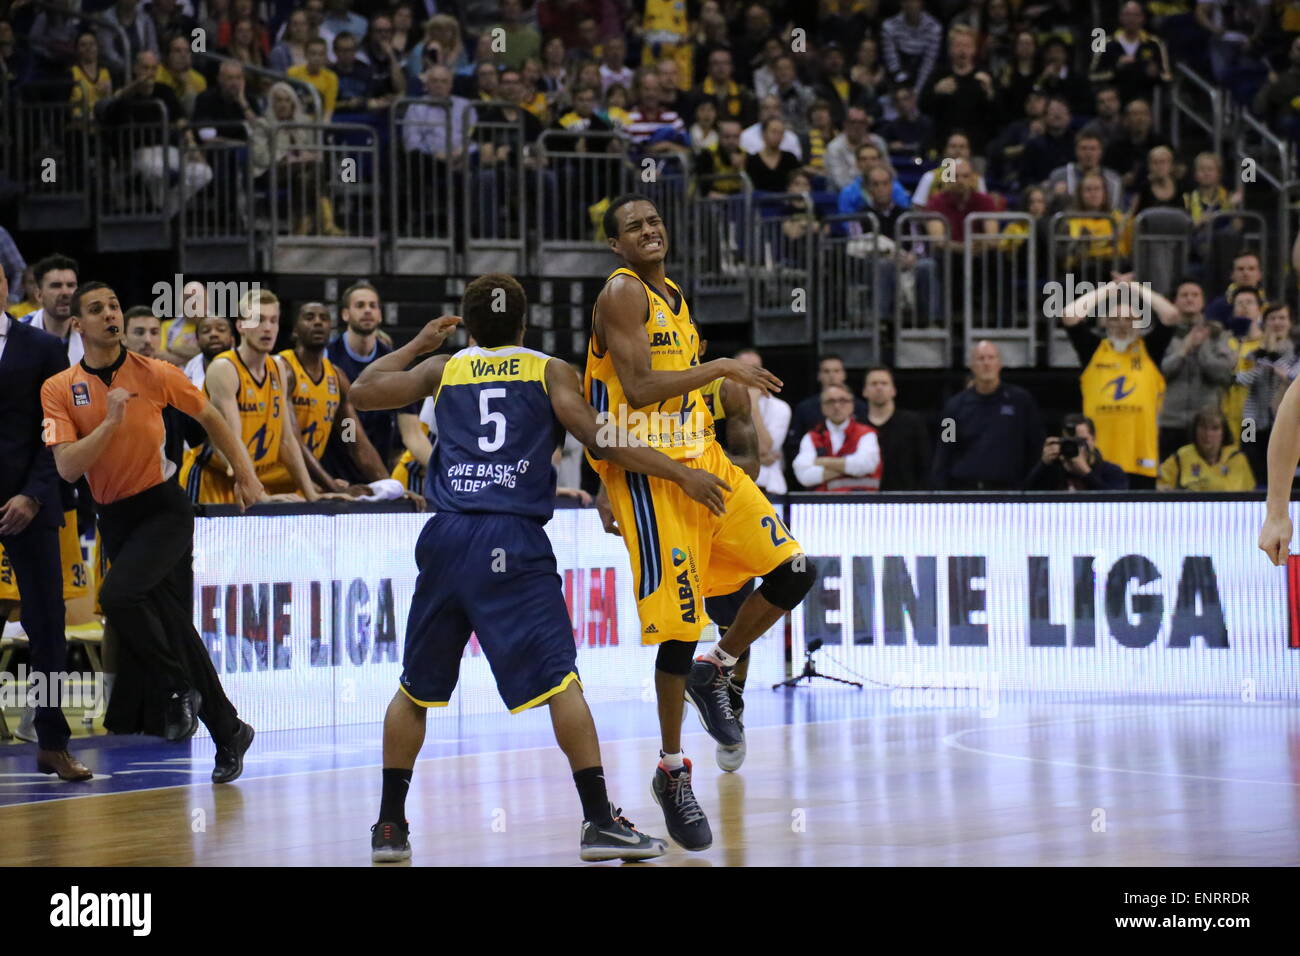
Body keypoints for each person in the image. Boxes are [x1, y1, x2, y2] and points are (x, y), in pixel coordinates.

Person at [349, 278, 733, 863]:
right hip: (511, 536)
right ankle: (600, 821)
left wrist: (419, 344)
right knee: (561, 682)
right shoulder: (551, 371)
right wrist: (678, 473)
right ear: (525, 325)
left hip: (446, 536)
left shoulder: (444, 369)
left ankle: (389, 827)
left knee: (414, 688)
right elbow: (601, 441)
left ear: (471, 328)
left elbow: (361, 391)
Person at [587, 193, 816, 850]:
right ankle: (671, 769)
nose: (648, 230)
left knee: (794, 571)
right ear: (616, 246)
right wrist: (718, 365)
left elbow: (680, 394)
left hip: (706, 465)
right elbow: (631, 394)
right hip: (654, 478)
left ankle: (722, 664)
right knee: (677, 632)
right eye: (633, 227)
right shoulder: (622, 294)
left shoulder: (677, 299)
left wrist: (715, 387)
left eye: (655, 220)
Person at [41, 281, 259, 783]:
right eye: (96, 310)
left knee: (119, 597)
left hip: (164, 509)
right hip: (113, 517)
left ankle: (178, 686)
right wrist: (110, 421)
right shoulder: (59, 388)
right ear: (79, 325)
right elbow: (69, 467)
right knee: (174, 623)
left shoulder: (159, 373)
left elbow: (210, 416)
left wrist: (243, 471)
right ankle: (229, 731)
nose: (110, 315)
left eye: (114, 305)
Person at [0, 269, 90, 780]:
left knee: (47, 630)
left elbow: (58, 429)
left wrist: (34, 494)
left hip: (30, 506)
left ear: (6, 287)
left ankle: (53, 741)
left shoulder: (41, 347)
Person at [179, 289, 319, 503]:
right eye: (259, 320)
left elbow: (287, 440)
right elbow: (231, 440)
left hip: (250, 480)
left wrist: (312, 496)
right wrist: (260, 495)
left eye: (273, 320)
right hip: (211, 480)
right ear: (240, 326)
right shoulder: (224, 368)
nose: (267, 328)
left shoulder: (278, 367)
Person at [1061, 276, 1180, 488]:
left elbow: (1171, 315)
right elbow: (1069, 315)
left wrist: (1135, 288)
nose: (1122, 324)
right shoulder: (1094, 350)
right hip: (1097, 461)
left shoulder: (1150, 350)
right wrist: (1109, 289)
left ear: (1139, 323)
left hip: (1141, 458)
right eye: (1115, 319)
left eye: (1129, 319)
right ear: (1106, 323)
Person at [260, 300, 389, 494]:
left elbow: (353, 441)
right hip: (265, 482)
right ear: (295, 330)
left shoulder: (336, 377)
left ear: (331, 329)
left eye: (324, 318)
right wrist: (334, 487)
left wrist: (390, 487)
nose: (318, 322)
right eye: (309, 318)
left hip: (303, 484)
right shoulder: (283, 369)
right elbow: (293, 441)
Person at [325, 281, 423, 476]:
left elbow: (412, 435)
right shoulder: (327, 358)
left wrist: (441, 467)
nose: (367, 310)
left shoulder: (395, 365)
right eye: (360, 305)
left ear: (380, 315)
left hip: (377, 471)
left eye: (373, 306)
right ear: (345, 314)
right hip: (333, 473)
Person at [931, 340, 1044, 490]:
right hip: (965, 491)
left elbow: (1035, 445)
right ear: (971, 365)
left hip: (1009, 492)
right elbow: (944, 450)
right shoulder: (953, 407)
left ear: (999, 364)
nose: (986, 363)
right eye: (980, 358)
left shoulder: (1020, 401)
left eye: (991, 358)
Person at [1158, 282, 1235, 460]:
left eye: (1195, 295)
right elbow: (1158, 373)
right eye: (1184, 295)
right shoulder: (1163, 334)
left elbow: (1223, 375)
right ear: (1174, 301)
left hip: (1205, 424)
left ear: (1203, 302)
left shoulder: (1217, 334)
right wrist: (1184, 350)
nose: (1189, 299)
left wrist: (1201, 350)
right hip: (1169, 421)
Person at [1235, 302, 1297, 483]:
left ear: (1290, 322)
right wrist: (1265, 357)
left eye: (1282, 318)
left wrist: (1273, 361)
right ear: (1265, 323)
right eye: (1272, 318)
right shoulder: (1254, 354)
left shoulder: (1296, 353)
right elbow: (1241, 380)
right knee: (1249, 460)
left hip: (1286, 419)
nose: (1277, 323)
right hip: (1251, 421)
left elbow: (1293, 377)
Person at [792, 383, 882, 491]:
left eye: (843, 400)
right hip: (822, 505)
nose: (837, 406)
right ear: (822, 407)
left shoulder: (867, 434)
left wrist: (823, 462)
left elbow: (866, 465)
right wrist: (850, 468)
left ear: (852, 405)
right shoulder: (811, 437)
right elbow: (804, 476)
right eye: (830, 401)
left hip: (861, 504)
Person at [863, 366, 930, 490]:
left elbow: (924, 464)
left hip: (905, 498)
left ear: (893, 390)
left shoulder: (912, 422)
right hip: (866, 499)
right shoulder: (857, 425)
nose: (879, 387)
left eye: (884, 383)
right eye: (873, 384)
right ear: (865, 391)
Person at [734, 347, 790, 495]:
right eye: (746, 369)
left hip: (769, 487)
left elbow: (764, 448)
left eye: (757, 369)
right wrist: (753, 458)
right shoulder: (718, 401)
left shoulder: (780, 407)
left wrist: (753, 408)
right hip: (732, 485)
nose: (753, 374)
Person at [1024, 413, 1130, 490]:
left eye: (1082, 440)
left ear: (1093, 439)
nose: (1078, 446)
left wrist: (1086, 473)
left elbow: (1117, 504)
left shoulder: (1112, 471)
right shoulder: (1055, 470)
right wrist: (1043, 464)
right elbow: (1024, 496)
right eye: (1071, 442)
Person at [1160, 406, 1255, 491]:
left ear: (1224, 432)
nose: (1208, 434)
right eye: (1203, 427)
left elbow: (1233, 491)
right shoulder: (1181, 457)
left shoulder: (1236, 458)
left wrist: (1195, 486)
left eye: (1215, 428)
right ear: (1195, 429)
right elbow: (1158, 485)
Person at [21, 254, 83, 364]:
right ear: (39, 295)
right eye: (56, 286)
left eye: (71, 285)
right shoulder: (15, 334)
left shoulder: (92, 330)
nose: (65, 292)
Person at [183, 314, 235, 388]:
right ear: (197, 340)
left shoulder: (244, 363)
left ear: (232, 339)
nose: (213, 334)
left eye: (221, 329)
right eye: (206, 331)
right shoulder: (191, 368)